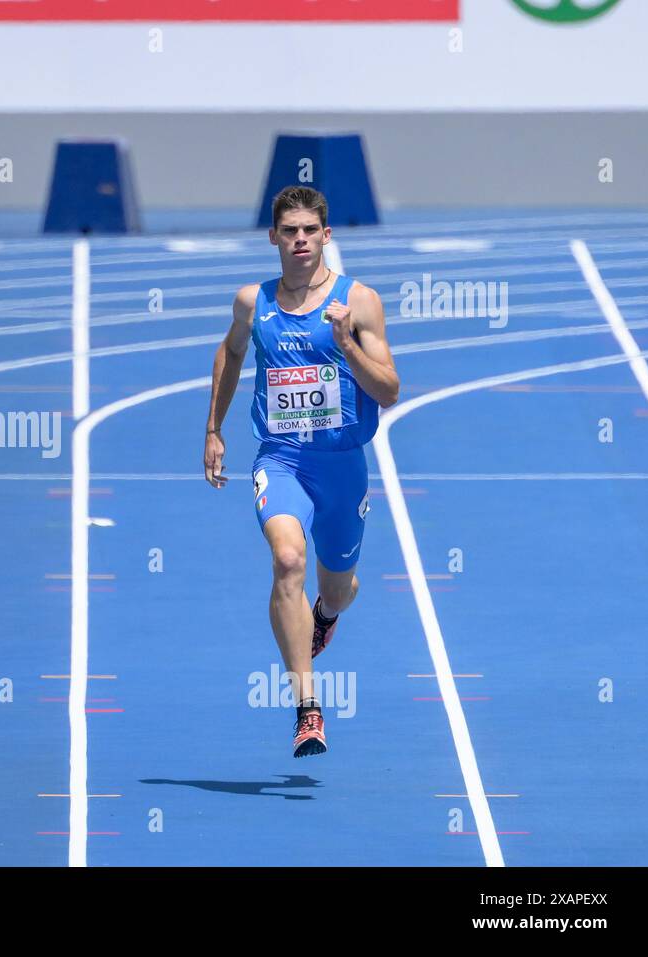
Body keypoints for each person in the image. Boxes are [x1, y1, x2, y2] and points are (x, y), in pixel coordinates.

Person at [203, 185, 400, 757]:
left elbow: (389, 391)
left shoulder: (359, 302)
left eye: (310, 231)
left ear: (326, 236)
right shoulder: (252, 302)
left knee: (339, 584)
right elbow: (231, 352)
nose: (300, 241)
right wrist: (213, 430)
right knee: (288, 558)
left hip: (342, 464)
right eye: (289, 231)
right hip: (281, 458)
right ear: (273, 237)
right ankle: (307, 708)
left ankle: (327, 612)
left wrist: (345, 345)